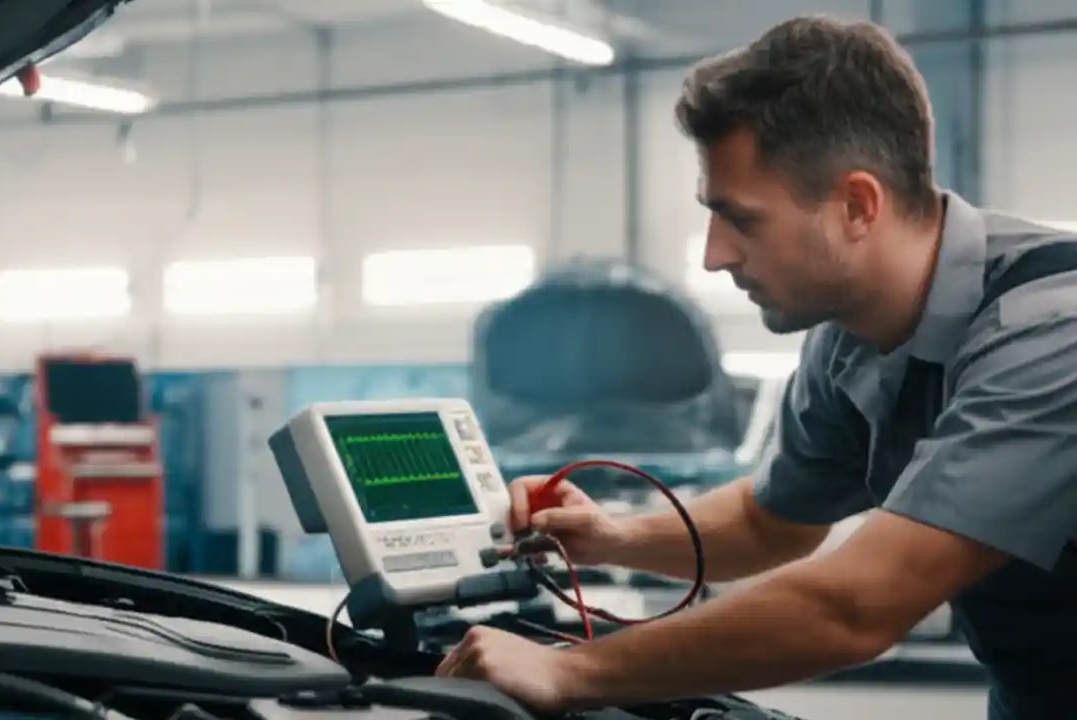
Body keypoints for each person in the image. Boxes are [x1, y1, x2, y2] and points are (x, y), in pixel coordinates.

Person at [435, 14, 1077, 720]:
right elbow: (773, 522)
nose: (714, 255)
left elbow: (860, 607)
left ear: (857, 206)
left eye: (739, 218)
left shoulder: (1053, 332)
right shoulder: (850, 337)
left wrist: (571, 671)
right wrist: (616, 535)